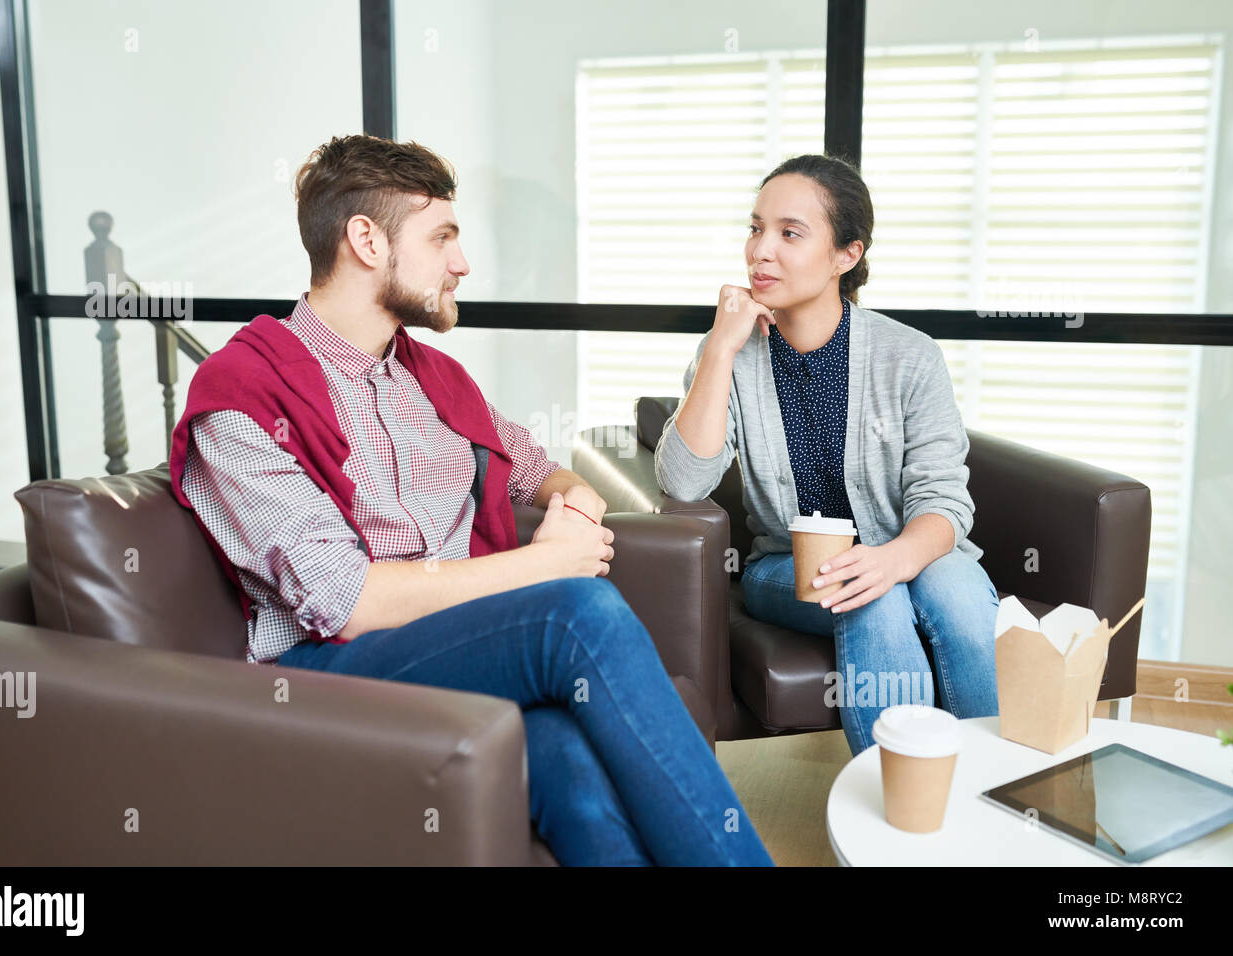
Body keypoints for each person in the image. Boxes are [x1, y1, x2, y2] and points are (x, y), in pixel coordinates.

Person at [167, 134, 772, 867]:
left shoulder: (430, 378)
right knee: (576, 613)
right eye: (443, 238)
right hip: (325, 674)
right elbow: (345, 600)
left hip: (457, 649)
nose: (462, 262)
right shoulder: (241, 399)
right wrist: (546, 564)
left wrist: (573, 496)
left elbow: (529, 464)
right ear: (365, 240)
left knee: (571, 766)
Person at [654, 154, 999, 757]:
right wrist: (719, 348)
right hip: (784, 569)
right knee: (872, 595)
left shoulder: (910, 357)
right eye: (755, 228)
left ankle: (997, 794)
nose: (761, 250)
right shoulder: (732, 355)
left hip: (906, 547)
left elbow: (943, 499)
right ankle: (903, 812)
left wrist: (891, 558)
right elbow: (683, 482)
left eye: (790, 233)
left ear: (847, 254)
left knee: (962, 597)